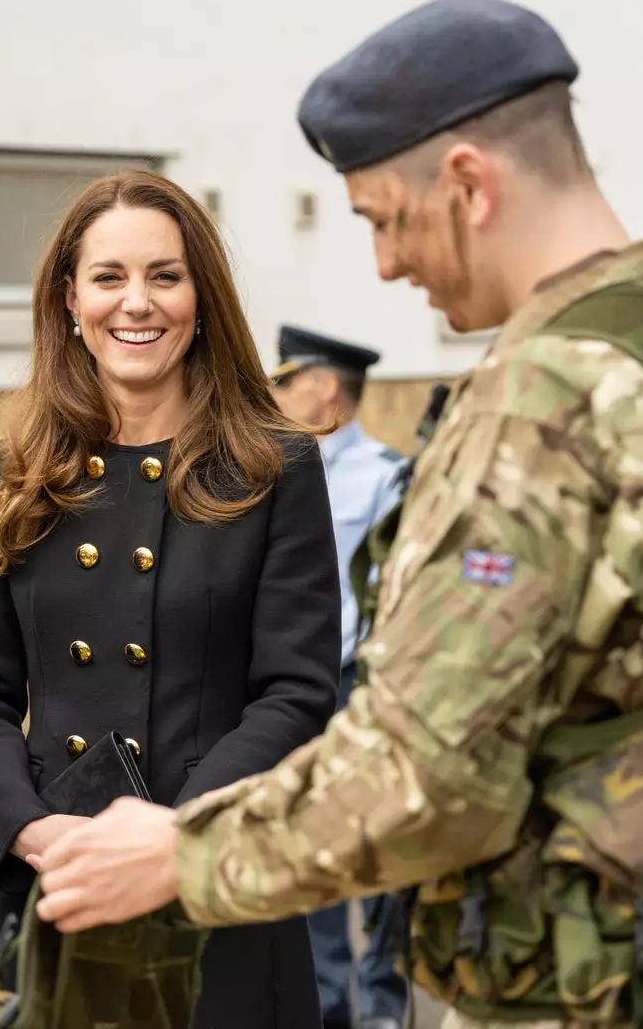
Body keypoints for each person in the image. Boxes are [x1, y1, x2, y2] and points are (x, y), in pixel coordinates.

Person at [32, 0, 643, 1029]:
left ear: (467, 184)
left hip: (602, 987)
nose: (387, 263)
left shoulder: (549, 394)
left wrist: (178, 853)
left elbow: (430, 770)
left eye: (385, 219)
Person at [0, 168, 340, 1027]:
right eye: (110, 277)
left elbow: (297, 691)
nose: (138, 304)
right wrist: (31, 831)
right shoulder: (23, 470)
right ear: (69, 301)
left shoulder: (274, 466)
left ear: (202, 297)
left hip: (213, 883)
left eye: (165, 275)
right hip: (59, 881)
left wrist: (170, 837)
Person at [271, 326, 408, 1029]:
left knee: (381, 850)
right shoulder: (275, 471)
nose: (281, 393)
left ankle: (383, 1005)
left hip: (366, 683)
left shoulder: (390, 475)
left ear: (326, 386)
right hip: (304, 687)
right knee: (314, 842)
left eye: (289, 381)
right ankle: (328, 1005)